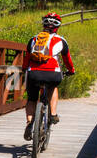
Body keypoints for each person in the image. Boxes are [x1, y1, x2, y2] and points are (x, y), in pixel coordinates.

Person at [21, 13, 75, 141]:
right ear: (57, 27)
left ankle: (29, 123)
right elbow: (67, 59)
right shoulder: (61, 40)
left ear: (43, 25)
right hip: (53, 73)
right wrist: (71, 70)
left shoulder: (34, 39)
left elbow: (27, 58)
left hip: (33, 73)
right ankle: (53, 114)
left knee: (32, 99)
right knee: (53, 87)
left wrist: (24, 69)